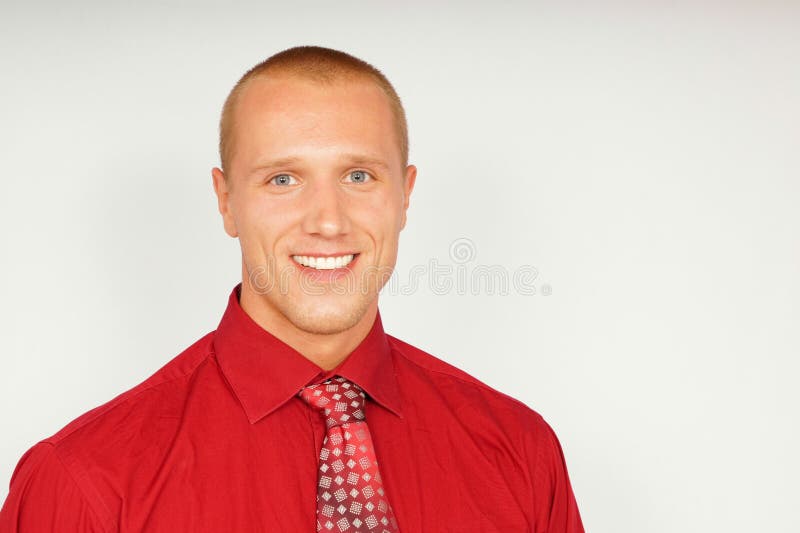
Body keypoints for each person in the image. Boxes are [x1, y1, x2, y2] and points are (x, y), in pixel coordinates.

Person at [0, 45, 584, 532]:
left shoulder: (520, 452)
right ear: (226, 201)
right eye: (283, 179)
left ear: (404, 195)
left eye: (359, 176)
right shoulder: (81, 483)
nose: (327, 221)